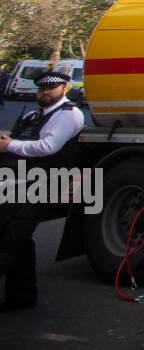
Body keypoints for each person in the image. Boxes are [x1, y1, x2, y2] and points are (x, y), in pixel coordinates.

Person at [0, 69, 85, 312]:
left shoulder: (68, 114)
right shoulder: (35, 115)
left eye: (51, 88)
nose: (46, 92)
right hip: (18, 181)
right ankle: (22, 296)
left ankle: (22, 295)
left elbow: (49, 146)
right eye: (42, 88)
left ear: (64, 89)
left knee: (11, 235)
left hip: (40, 183)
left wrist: (10, 145)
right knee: (20, 239)